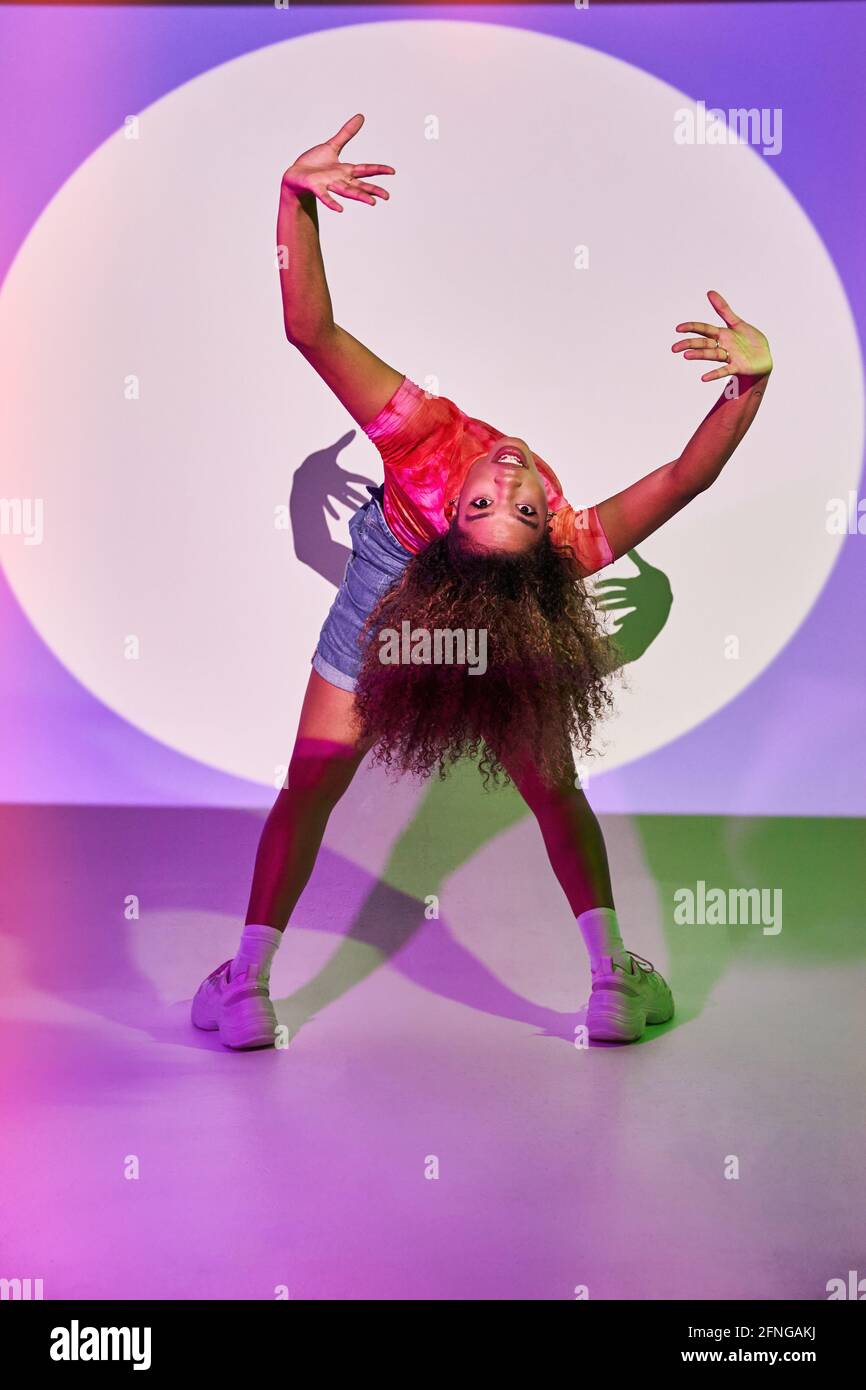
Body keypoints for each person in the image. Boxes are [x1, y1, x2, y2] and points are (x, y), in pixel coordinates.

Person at [192, 114, 773, 1049]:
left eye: (491, 503)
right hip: (450, 625)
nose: (507, 476)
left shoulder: (429, 452)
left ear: (450, 515)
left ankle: (245, 988)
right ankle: (611, 980)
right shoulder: (568, 541)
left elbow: (309, 328)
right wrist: (750, 384)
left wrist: (293, 197)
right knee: (554, 793)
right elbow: (684, 478)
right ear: (550, 533)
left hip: (407, 626)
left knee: (310, 788)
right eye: (520, 502)